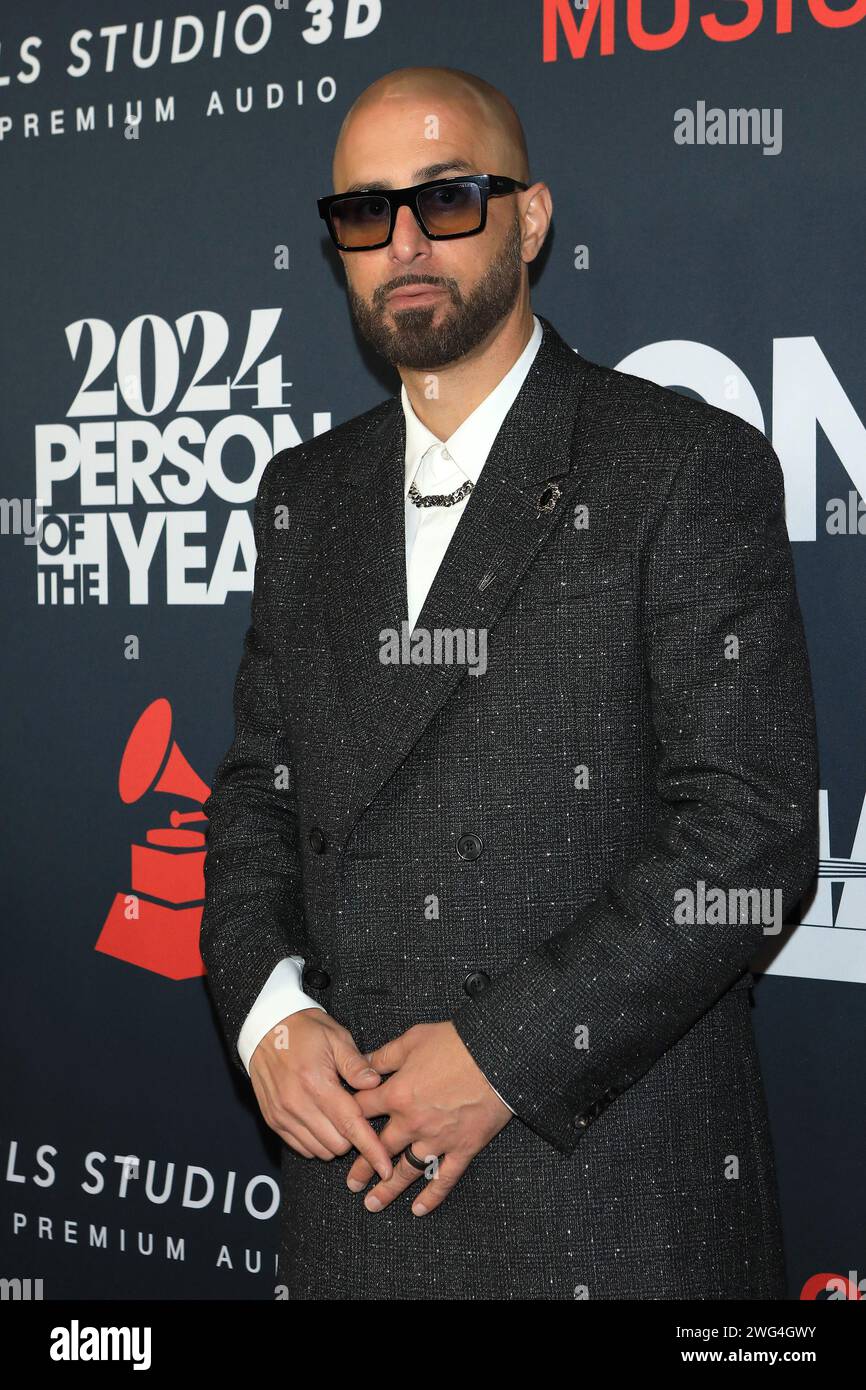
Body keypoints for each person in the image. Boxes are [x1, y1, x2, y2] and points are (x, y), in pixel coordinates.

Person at [200, 65, 819, 1300]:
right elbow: (258, 797)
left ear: (530, 218)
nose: (407, 241)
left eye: (450, 197)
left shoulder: (680, 465)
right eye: (364, 213)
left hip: (606, 1200)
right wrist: (268, 1013)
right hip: (357, 1197)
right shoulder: (302, 499)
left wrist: (500, 1052)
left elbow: (747, 841)